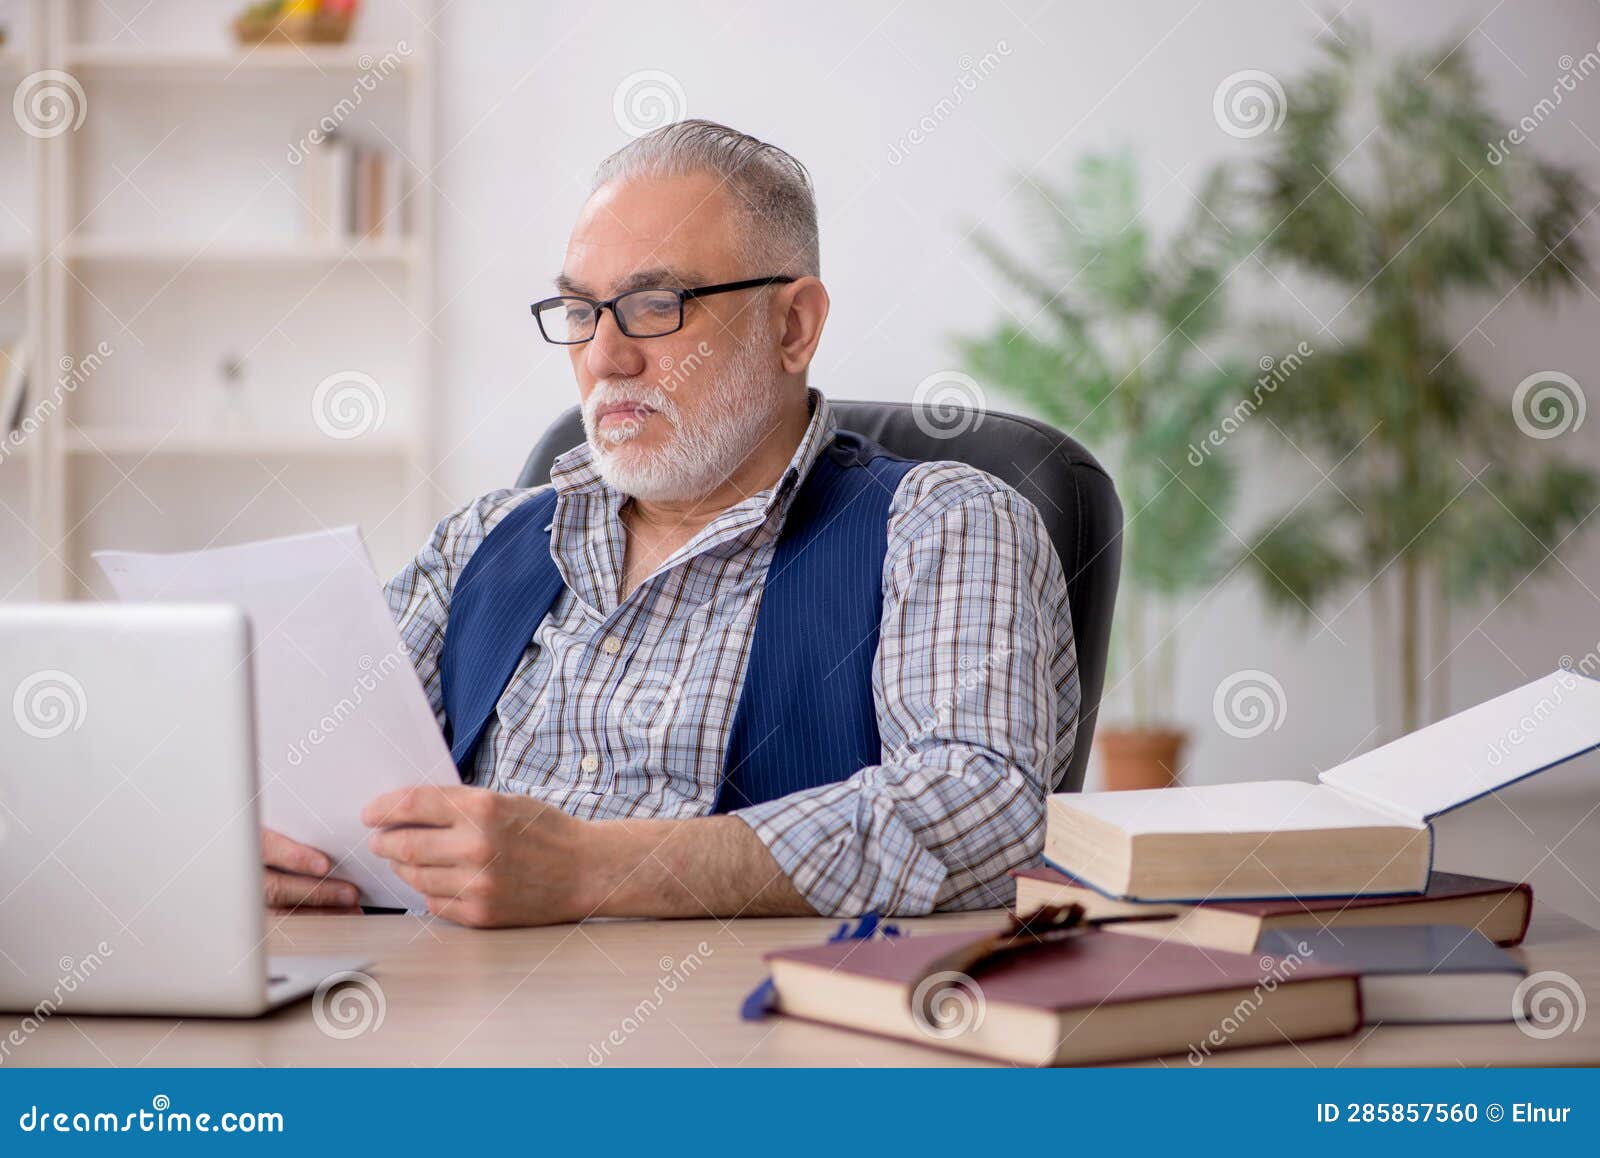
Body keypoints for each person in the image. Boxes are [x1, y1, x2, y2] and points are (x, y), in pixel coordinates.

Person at [261, 119, 1078, 927]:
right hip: (446, 1024)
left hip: (744, 1042)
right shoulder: (479, 542)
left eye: (656, 305)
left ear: (792, 326)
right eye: (582, 312)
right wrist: (274, 845)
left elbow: (989, 808)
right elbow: (311, 765)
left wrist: (598, 870)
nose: (605, 357)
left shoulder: (944, 526)